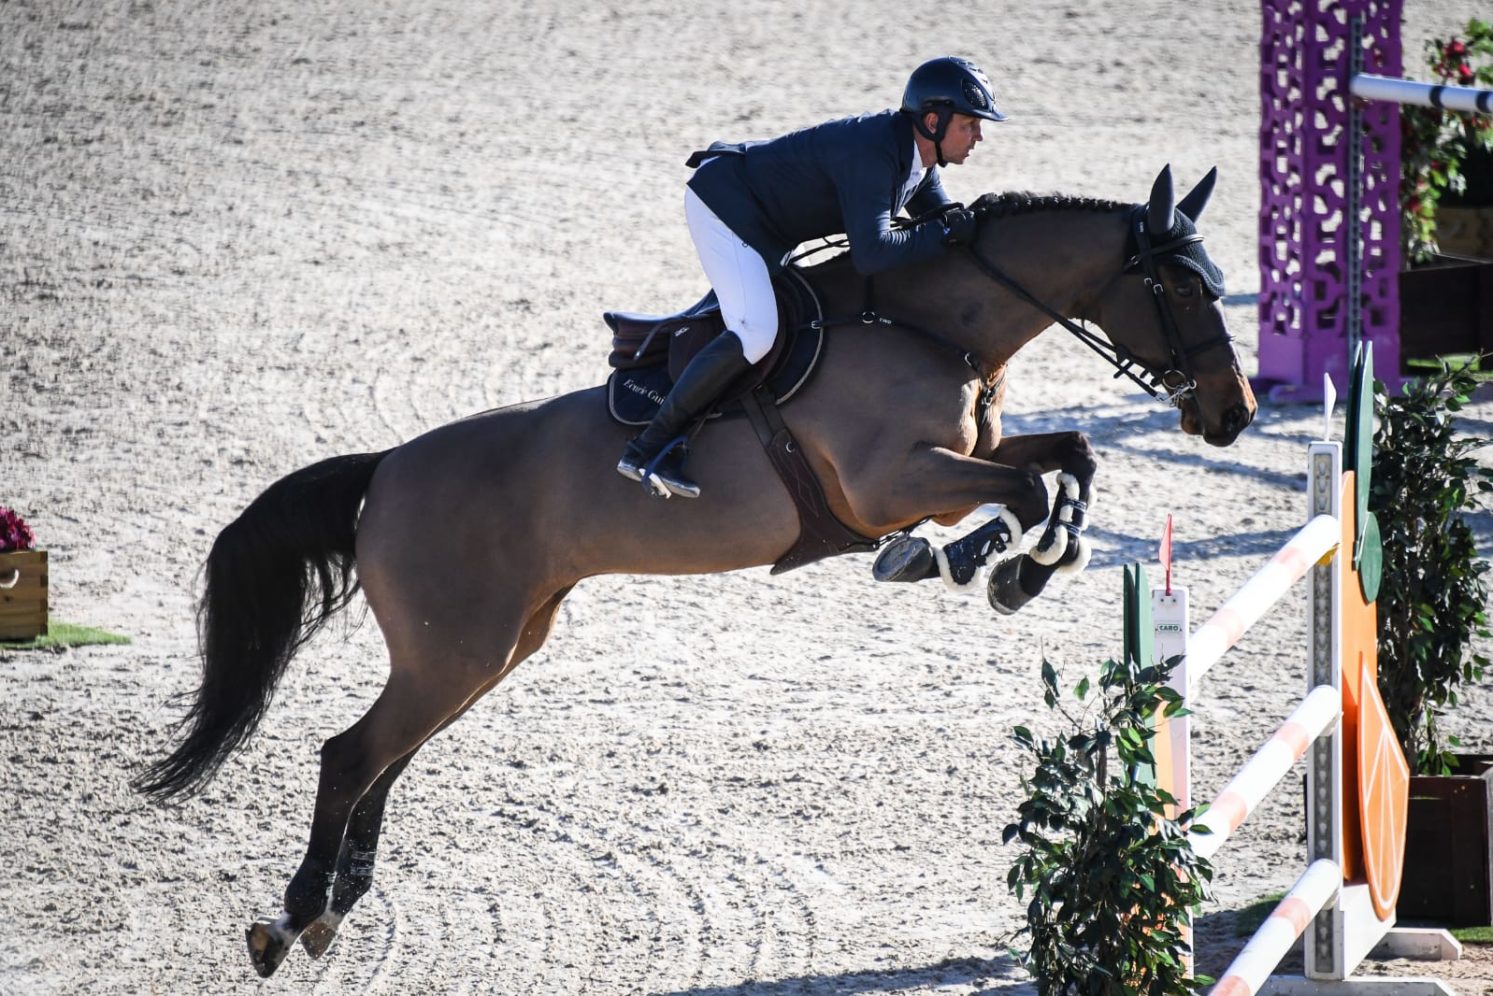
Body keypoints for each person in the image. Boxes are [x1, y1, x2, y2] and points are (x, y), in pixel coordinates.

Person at [617, 56, 1006, 499]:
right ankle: (649, 448)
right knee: (756, 331)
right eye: (971, 124)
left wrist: (981, 227)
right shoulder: (874, 154)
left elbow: (945, 222)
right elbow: (873, 253)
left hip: (767, 224)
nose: (979, 136)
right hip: (725, 207)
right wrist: (942, 232)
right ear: (933, 121)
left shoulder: (919, 160)